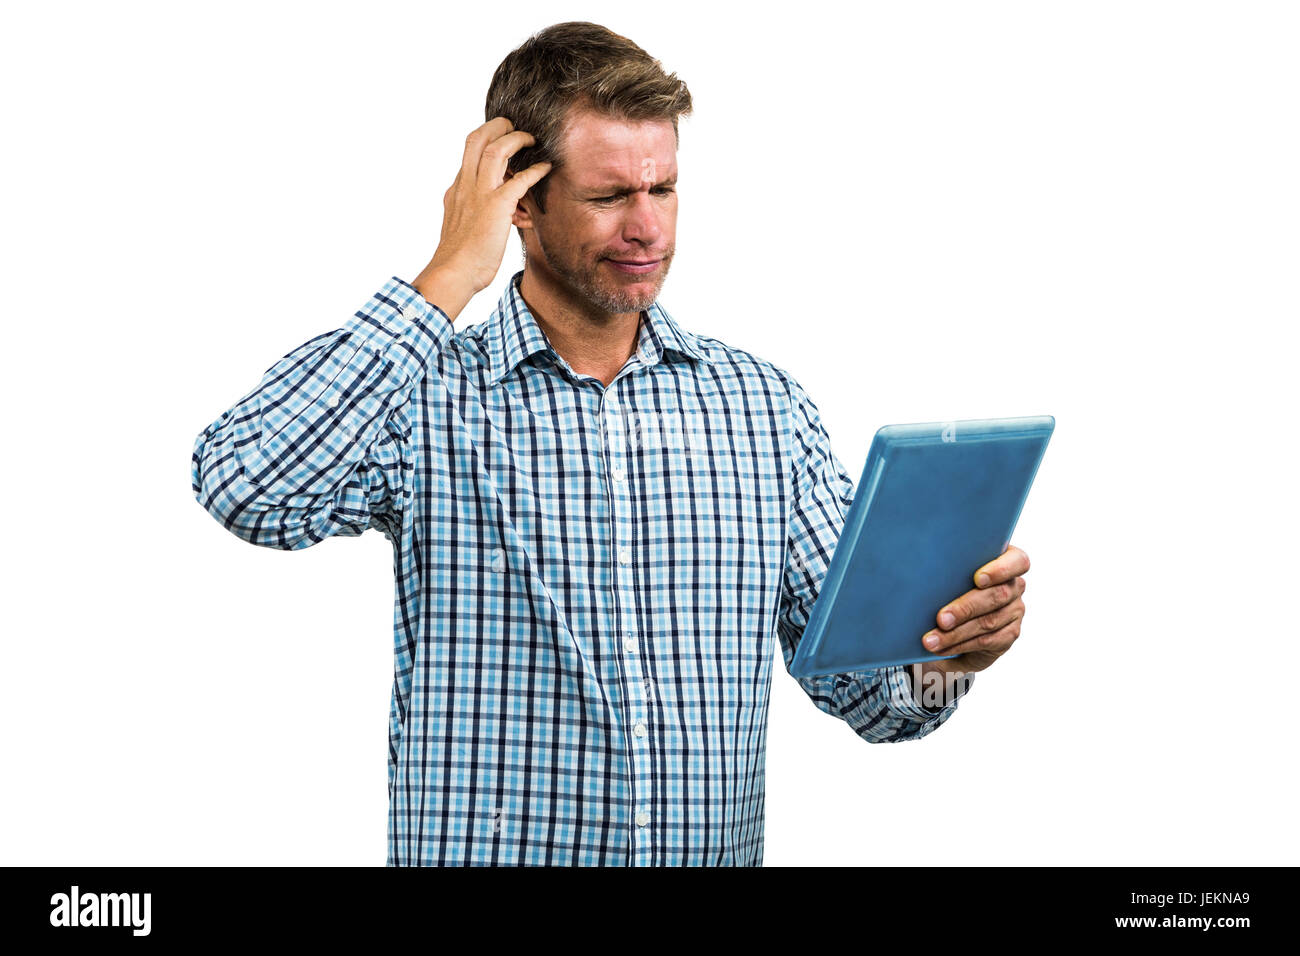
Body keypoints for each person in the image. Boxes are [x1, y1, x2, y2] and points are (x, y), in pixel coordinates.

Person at [191, 21, 1031, 866]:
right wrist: (448, 273)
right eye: (607, 198)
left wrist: (957, 655)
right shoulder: (424, 396)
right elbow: (245, 486)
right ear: (519, 201)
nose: (647, 229)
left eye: (662, 189)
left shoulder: (765, 412)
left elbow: (872, 696)